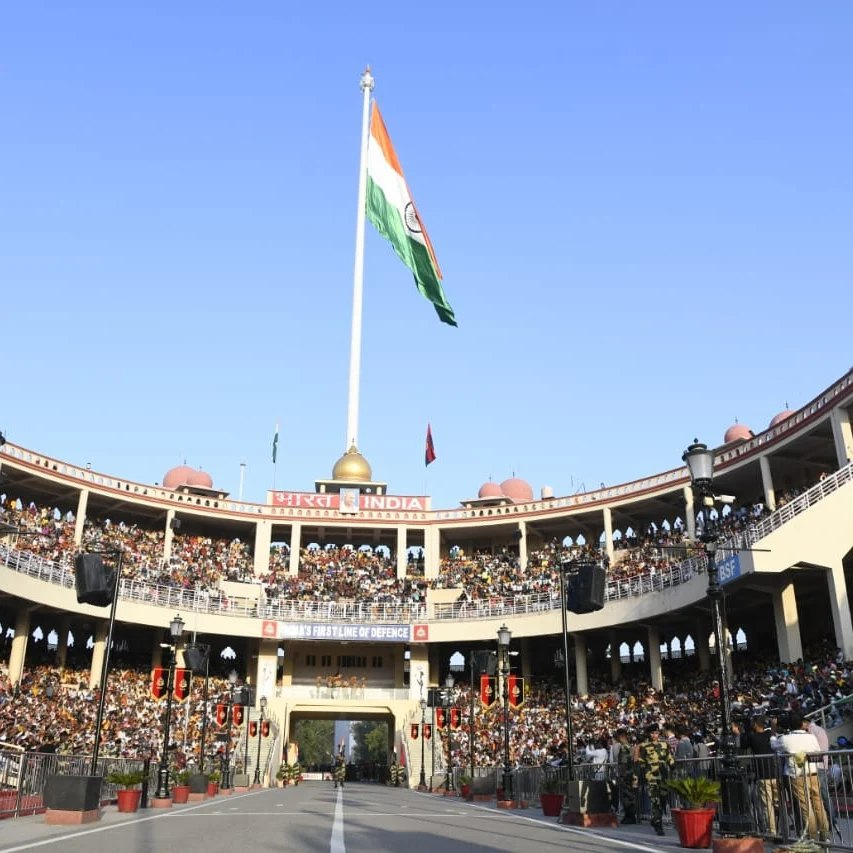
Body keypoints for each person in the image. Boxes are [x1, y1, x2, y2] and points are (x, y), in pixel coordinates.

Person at [778, 713, 829, 842]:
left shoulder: (785, 738)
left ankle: (813, 837)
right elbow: (818, 751)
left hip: (797, 775)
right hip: (812, 773)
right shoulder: (811, 737)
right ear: (802, 724)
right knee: (818, 804)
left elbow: (774, 746)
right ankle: (825, 834)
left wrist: (773, 731)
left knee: (806, 807)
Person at [735, 716, 779, 836]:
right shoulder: (770, 734)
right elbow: (774, 734)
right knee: (778, 803)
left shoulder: (752, 737)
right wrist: (773, 725)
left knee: (767, 805)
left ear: (755, 725)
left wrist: (742, 731)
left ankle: (773, 831)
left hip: (762, 775)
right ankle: (780, 828)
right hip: (775, 773)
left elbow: (743, 744)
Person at [637, 724, 674, 836]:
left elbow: (669, 758)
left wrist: (673, 765)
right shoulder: (644, 746)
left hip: (663, 775)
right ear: (649, 734)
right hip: (651, 776)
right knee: (655, 801)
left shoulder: (664, 745)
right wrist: (641, 774)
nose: (654, 735)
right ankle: (658, 824)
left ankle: (655, 819)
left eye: (656, 733)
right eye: (652, 733)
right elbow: (641, 761)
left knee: (663, 799)